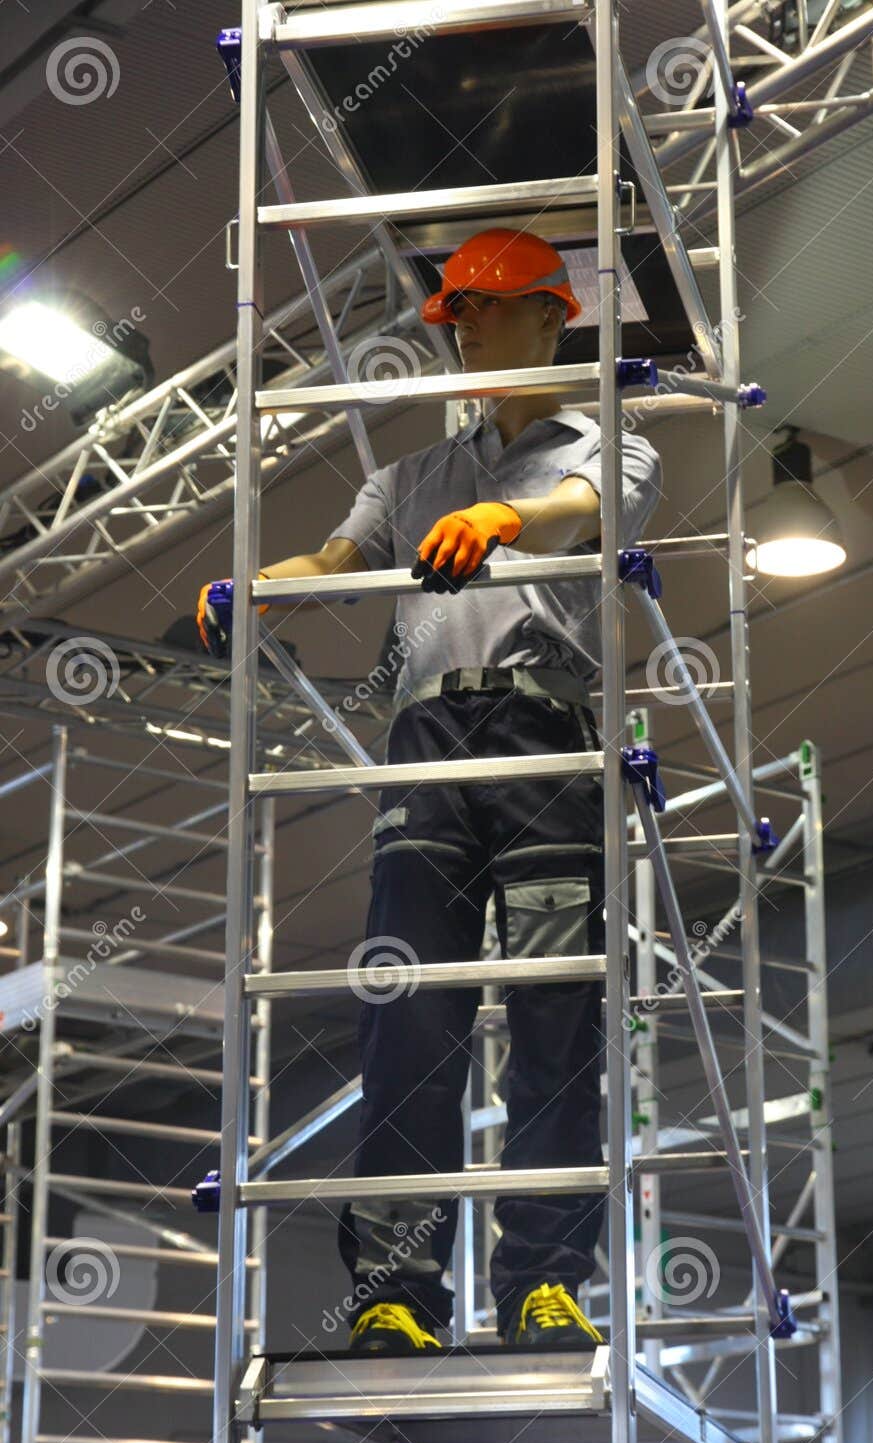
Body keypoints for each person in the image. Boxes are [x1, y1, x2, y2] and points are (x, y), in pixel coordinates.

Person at [198, 228, 662, 1357]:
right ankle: (398, 1287)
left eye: (487, 312)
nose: (464, 331)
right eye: (455, 315)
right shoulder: (408, 477)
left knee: (556, 1009)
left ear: (554, 317)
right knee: (409, 1015)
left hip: (543, 735)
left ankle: (544, 1279)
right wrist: (264, 586)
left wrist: (508, 518)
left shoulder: (612, 448)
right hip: (427, 742)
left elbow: (575, 512)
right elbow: (339, 556)